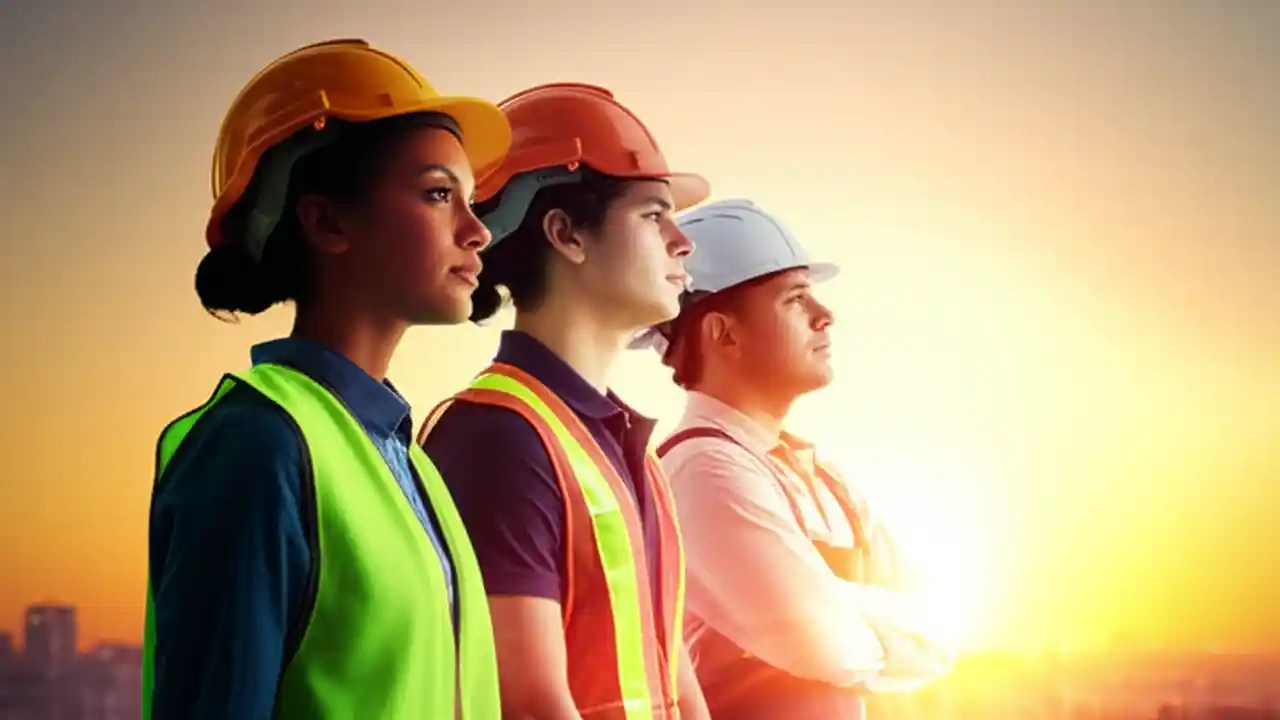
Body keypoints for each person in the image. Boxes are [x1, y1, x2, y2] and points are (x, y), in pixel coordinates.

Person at [142, 39, 512, 719]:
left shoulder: (408, 464)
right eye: (438, 194)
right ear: (328, 221)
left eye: (471, 200)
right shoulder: (256, 447)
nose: (477, 232)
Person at [419, 83, 712, 719]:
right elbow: (528, 706)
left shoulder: (623, 443)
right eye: (653, 215)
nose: (682, 242)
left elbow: (668, 671)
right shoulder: (497, 436)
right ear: (566, 235)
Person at [632, 199, 954, 719]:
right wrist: (872, 622)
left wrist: (835, 604)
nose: (826, 316)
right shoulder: (702, 471)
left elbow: (941, 630)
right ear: (724, 333)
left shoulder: (824, 478)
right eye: (795, 299)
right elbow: (821, 643)